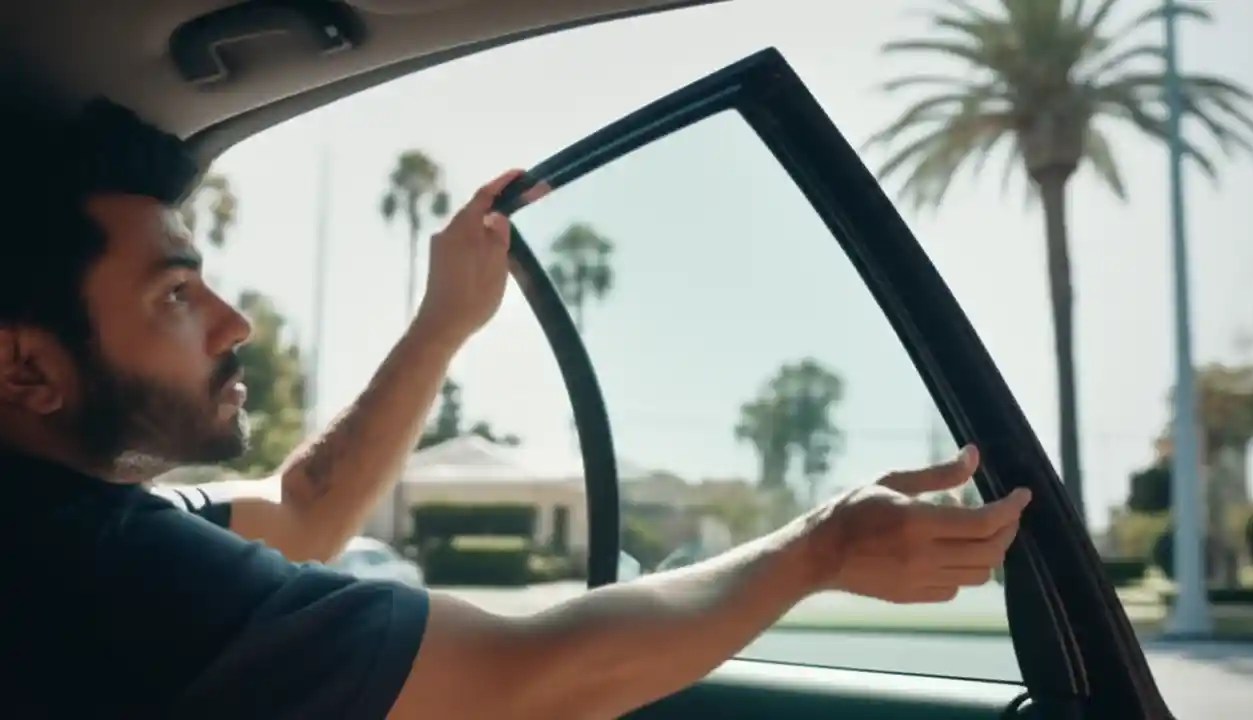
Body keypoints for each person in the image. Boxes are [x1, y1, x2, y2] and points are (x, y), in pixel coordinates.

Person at [0, 95, 1032, 719]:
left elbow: (305, 508)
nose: (237, 323)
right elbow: (532, 682)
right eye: (175, 296)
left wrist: (444, 323)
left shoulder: (70, 533)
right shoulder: (94, 566)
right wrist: (820, 547)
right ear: (28, 370)